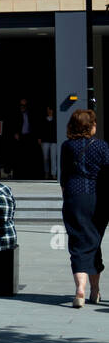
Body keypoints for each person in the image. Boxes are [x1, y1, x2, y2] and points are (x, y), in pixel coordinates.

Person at [59, 109, 109, 307]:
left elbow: (63, 175)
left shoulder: (67, 146)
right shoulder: (103, 147)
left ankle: (80, 289)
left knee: (79, 242)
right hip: (99, 198)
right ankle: (95, 290)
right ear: (91, 126)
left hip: (74, 195)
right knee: (93, 241)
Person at [12, 97, 38, 179]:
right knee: (19, 156)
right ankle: (18, 174)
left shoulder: (29, 113)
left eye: (24, 105)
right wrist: (15, 133)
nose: (23, 106)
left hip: (28, 136)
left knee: (28, 156)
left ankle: (28, 174)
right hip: (19, 136)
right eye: (21, 105)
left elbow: (34, 124)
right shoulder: (16, 113)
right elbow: (12, 124)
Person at [39, 105, 59, 181]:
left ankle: (54, 174)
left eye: (50, 109)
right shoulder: (43, 119)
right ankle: (46, 172)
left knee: (53, 157)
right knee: (45, 158)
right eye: (48, 109)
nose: (49, 111)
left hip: (54, 140)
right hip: (45, 140)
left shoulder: (56, 119)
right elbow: (40, 129)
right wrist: (39, 138)